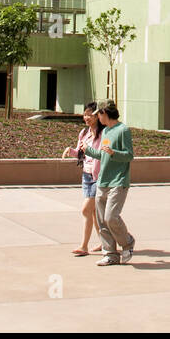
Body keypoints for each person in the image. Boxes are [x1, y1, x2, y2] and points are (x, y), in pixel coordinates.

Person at [83, 102, 136, 267]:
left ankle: (127, 242)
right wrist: (88, 151)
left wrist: (114, 153)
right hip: (102, 180)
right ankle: (110, 254)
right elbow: (103, 154)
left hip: (118, 181)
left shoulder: (123, 130)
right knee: (102, 221)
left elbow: (129, 155)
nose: (97, 117)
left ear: (105, 113)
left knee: (111, 217)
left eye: (99, 114)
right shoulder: (105, 131)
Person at [63, 102, 105, 256]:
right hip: (86, 176)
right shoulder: (84, 133)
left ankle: (84, 246)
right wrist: (71, 151)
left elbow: (101, 155)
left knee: (86, 209)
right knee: (94, 213)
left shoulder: (103, 134)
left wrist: (90, 149)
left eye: (90, 115)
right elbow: (82, 154)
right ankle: (104, 242)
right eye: (85, 114)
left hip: (98, 176)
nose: (87, 117)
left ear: (98, 116)